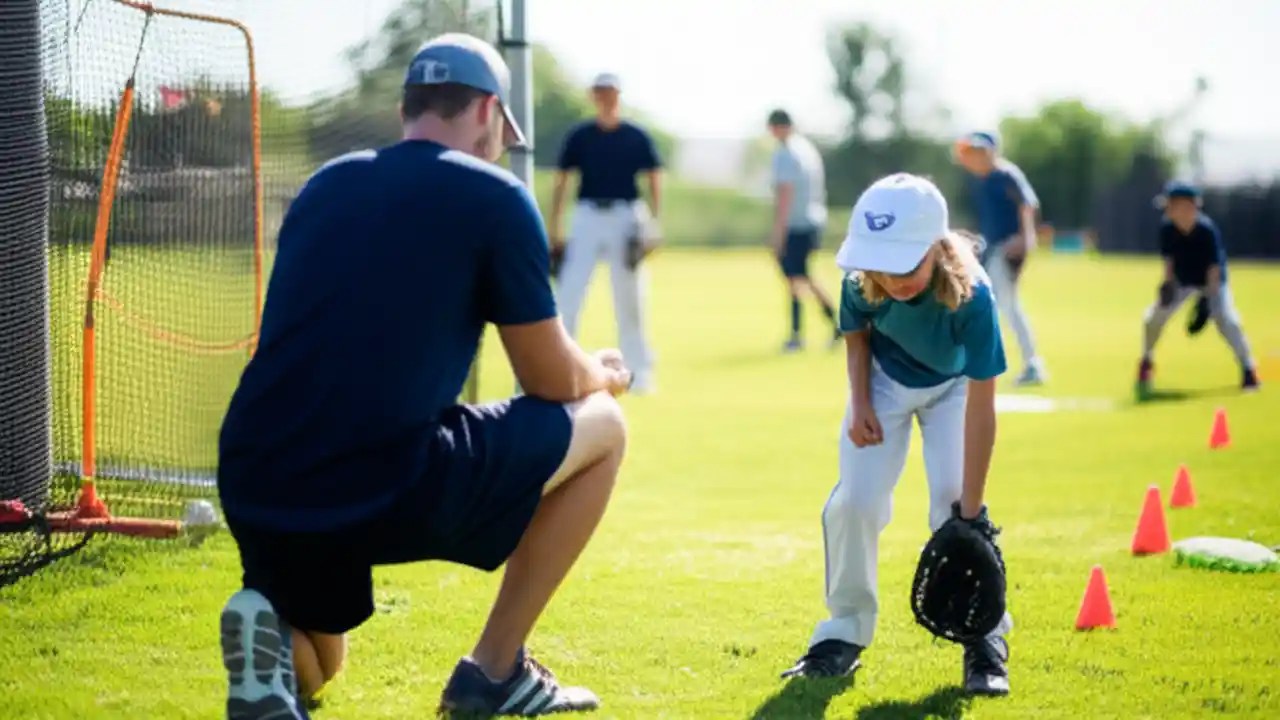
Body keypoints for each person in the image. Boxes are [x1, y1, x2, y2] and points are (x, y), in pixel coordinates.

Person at [216, 33, 634, 720]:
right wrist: (605, 375)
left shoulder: (326, 185)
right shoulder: (495, 195)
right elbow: (550, 378)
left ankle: (265, 630)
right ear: (489, 112)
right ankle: (495, 674)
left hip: (260, 473)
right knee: (606, 428)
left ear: (409, 107)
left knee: (322, 664)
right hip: (381, 473)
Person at [781, 173, 1013, 697]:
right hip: (884, 382)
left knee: (955, 509)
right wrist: (861, 400)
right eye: (882, 265)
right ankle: (842, 634)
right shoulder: (863, 279)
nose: (893, 278)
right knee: (854, 504)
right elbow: (856, 334)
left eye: (907, 263)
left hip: (952, 390)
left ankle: (986, 640)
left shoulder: (974, 296)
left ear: (937, 247)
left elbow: (982, 404)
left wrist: (972, 512)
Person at [548, 72, 663, 394]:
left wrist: (654, 223)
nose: (605, 97)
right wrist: (554, 227)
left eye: (610, 92)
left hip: (626, 215)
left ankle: (639, 373)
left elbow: (654, 177)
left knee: (630, 297)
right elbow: (562, 180)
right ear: (593, 96)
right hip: (587, 214)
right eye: (600, 92)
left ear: (618, 95)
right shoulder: (581, 136)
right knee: (569, 292)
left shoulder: (635, 135)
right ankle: (559, 368)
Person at [1137, 180, 1260, 396]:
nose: (1167, 209)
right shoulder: (1167, 228)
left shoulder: (1206, 231)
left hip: (1211, 283)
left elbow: (1214, 269)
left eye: (1171, 204)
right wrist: (1166, 286)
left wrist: (1206, 301)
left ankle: (1248, 369)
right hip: (1182, 282)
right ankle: (1146, 361)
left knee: (1227, 319)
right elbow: (1169, 262)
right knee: (1152, 318)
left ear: (1187, 206)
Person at [953, 130, 1047, 386]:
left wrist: (1026, 239)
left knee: (1005, 305)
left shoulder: (1005, 174)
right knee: (997, 304)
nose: (971, 158)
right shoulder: (980, 181)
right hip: (992, 248)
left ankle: (1031, 364)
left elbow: (1026, 205)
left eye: (975, 151)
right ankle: (1011, 362)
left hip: (1008, 247)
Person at [766, 109, 841, 352]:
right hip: (812, 220)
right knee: (802, 276)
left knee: (795, 279)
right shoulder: (806, 149)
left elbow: (785, 193)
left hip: (795, 224)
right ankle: (832, 325)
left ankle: (799, 334)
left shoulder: (786, 154)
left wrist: (778, 231)